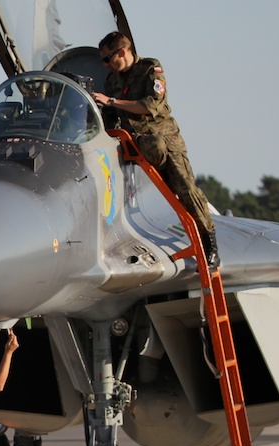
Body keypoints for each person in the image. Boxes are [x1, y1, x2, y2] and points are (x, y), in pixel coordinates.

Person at [92, 31, 220, 269]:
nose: (106, 65)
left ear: (122, 52)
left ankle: (209, 243)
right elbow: (111, 115)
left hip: (163, 138)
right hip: (135, 143)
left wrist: (111, 101)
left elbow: (150, 106)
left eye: (108, 59)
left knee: (186, 189)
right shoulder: (113, 80)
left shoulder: (151, 69)